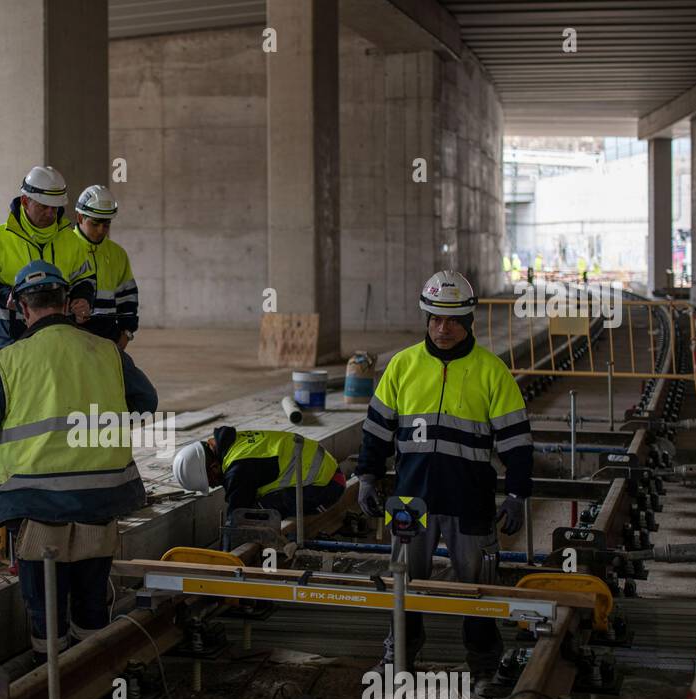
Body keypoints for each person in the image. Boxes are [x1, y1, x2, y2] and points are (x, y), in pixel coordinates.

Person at [0, 261, 158, 661]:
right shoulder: (108, 353)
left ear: (22, 309)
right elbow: (146, 402)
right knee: (93, 605)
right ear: (66, 303)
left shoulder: (8, 363)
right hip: (102, 500)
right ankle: (94, 673)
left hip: (36, 507)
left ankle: (52, 685)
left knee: (46, 611)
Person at [355, 270, 533, 677]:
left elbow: (517, 443)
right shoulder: (402, 367)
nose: (442, 328)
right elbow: (376, 431)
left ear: (469, 321)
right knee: (403, 584)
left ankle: (484, 667)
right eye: (435, 318)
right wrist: (367, 476)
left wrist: (518, 494)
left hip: (469, 500)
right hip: (407, 499)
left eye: (452, 320)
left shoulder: (492, 372)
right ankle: (398, 657)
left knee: (478, 591)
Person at [0, 165, 95, 348]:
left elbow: (86, 278)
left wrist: (83, 298)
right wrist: (5, 296)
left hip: (62, 334)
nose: (50, 214)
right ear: (25, 201)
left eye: (55, 208)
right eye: (44, 206)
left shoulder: (71, 239)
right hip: (14, 336)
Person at [171, 428, 346, 518]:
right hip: (328, 474)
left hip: (325, 487)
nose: (214, 484)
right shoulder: (233, 445)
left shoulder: (238, 469)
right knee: (257, 508)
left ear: (214, 467)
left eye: (211, 481)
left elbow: (237, 516)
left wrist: (227, 556)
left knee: (254, 513)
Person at [70, 185, 139, 348]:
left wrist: (126, 334)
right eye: (95, 224)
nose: (101, 230)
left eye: (106, 224)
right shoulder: (64, 248)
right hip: (72, 336)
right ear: (80, 218)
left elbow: (128, 297)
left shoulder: (117, 254)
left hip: (108, 338)